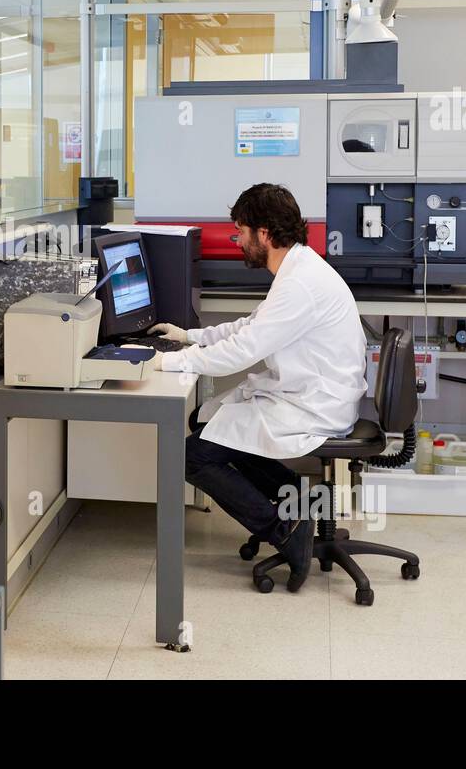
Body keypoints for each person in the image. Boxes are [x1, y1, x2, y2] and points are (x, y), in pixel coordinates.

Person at [150, 183, 367, 591]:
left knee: (193, 457)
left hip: (317, 403)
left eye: (241, 232)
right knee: (207, 420)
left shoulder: (300, 283)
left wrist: (166, 361)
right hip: (311, 393)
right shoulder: (296, 269)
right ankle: (296, 505)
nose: (237, 241)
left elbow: (245, 349)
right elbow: (250, 327)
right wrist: (190, 337)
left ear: (264, 234)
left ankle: (284, 530)